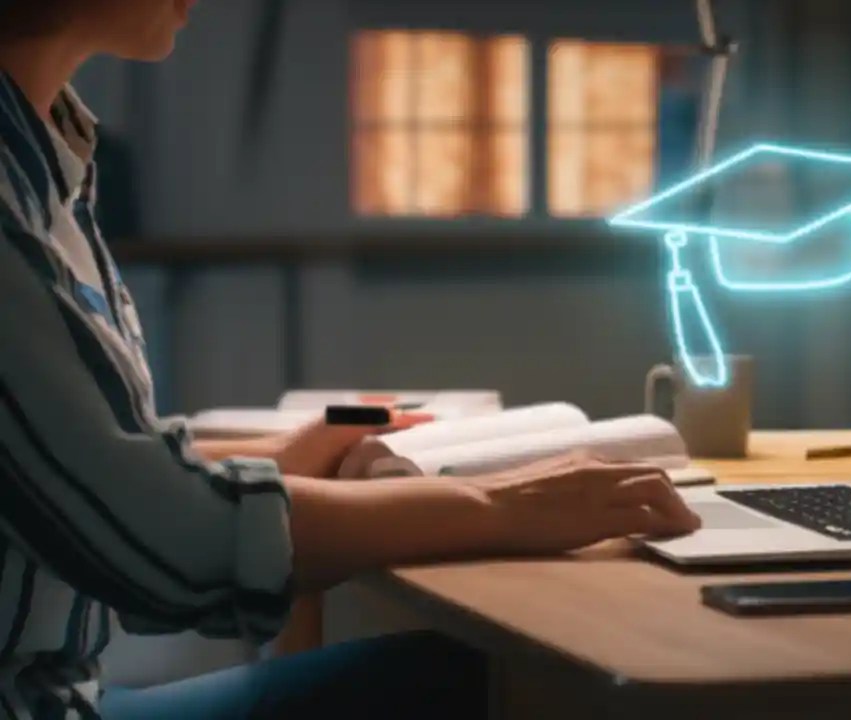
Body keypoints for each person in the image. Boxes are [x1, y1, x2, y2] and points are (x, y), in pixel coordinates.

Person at [0, 2, 701, 718]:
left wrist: (277, 456)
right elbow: (163, 543)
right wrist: (497, 504)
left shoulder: (42, 159)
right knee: (487, 681)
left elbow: (82, 456)